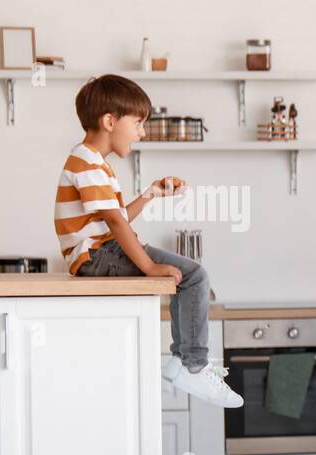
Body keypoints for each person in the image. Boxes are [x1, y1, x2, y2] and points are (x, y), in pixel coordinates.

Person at [62, 74, 240, 408]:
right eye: (139, 123)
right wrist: (148, 266)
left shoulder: (93, 162)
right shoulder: (87, 162)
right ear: (110, 121)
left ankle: (181, 361)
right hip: (97, 255)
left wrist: (149, 195)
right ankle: (194, 365)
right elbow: (114, 223)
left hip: (101, 250)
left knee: (190, 275)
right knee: (194, 276)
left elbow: (115, 217)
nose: (142, 132)